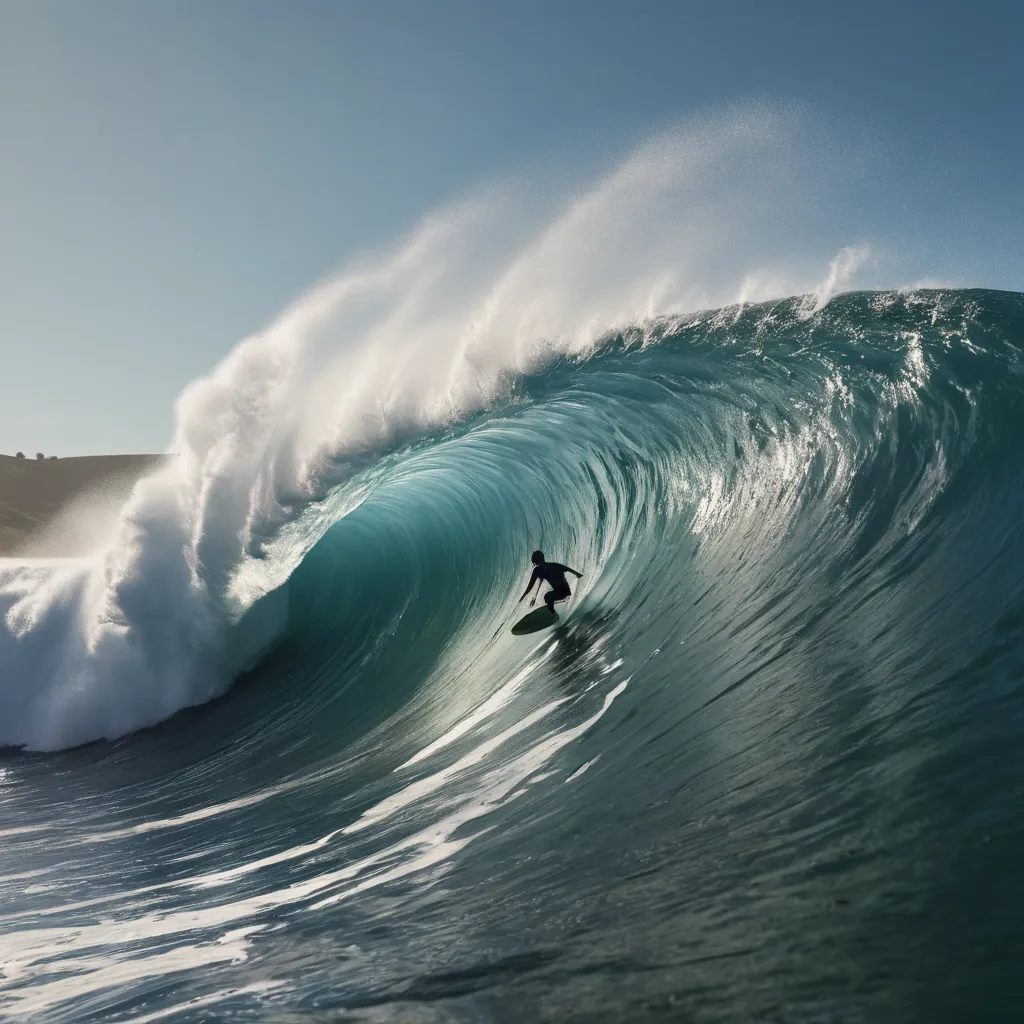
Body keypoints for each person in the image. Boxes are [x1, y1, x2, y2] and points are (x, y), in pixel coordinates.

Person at [519, 550, 583, 614]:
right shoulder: (554, 565)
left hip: (561, 592)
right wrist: (578, 574)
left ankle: (552, 613)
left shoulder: (537, 570)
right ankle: (553, 610)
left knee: (547, 596)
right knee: (548, 596)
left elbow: (530, 585)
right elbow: (568, 569)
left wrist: (524, 595)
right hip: (566, 592)